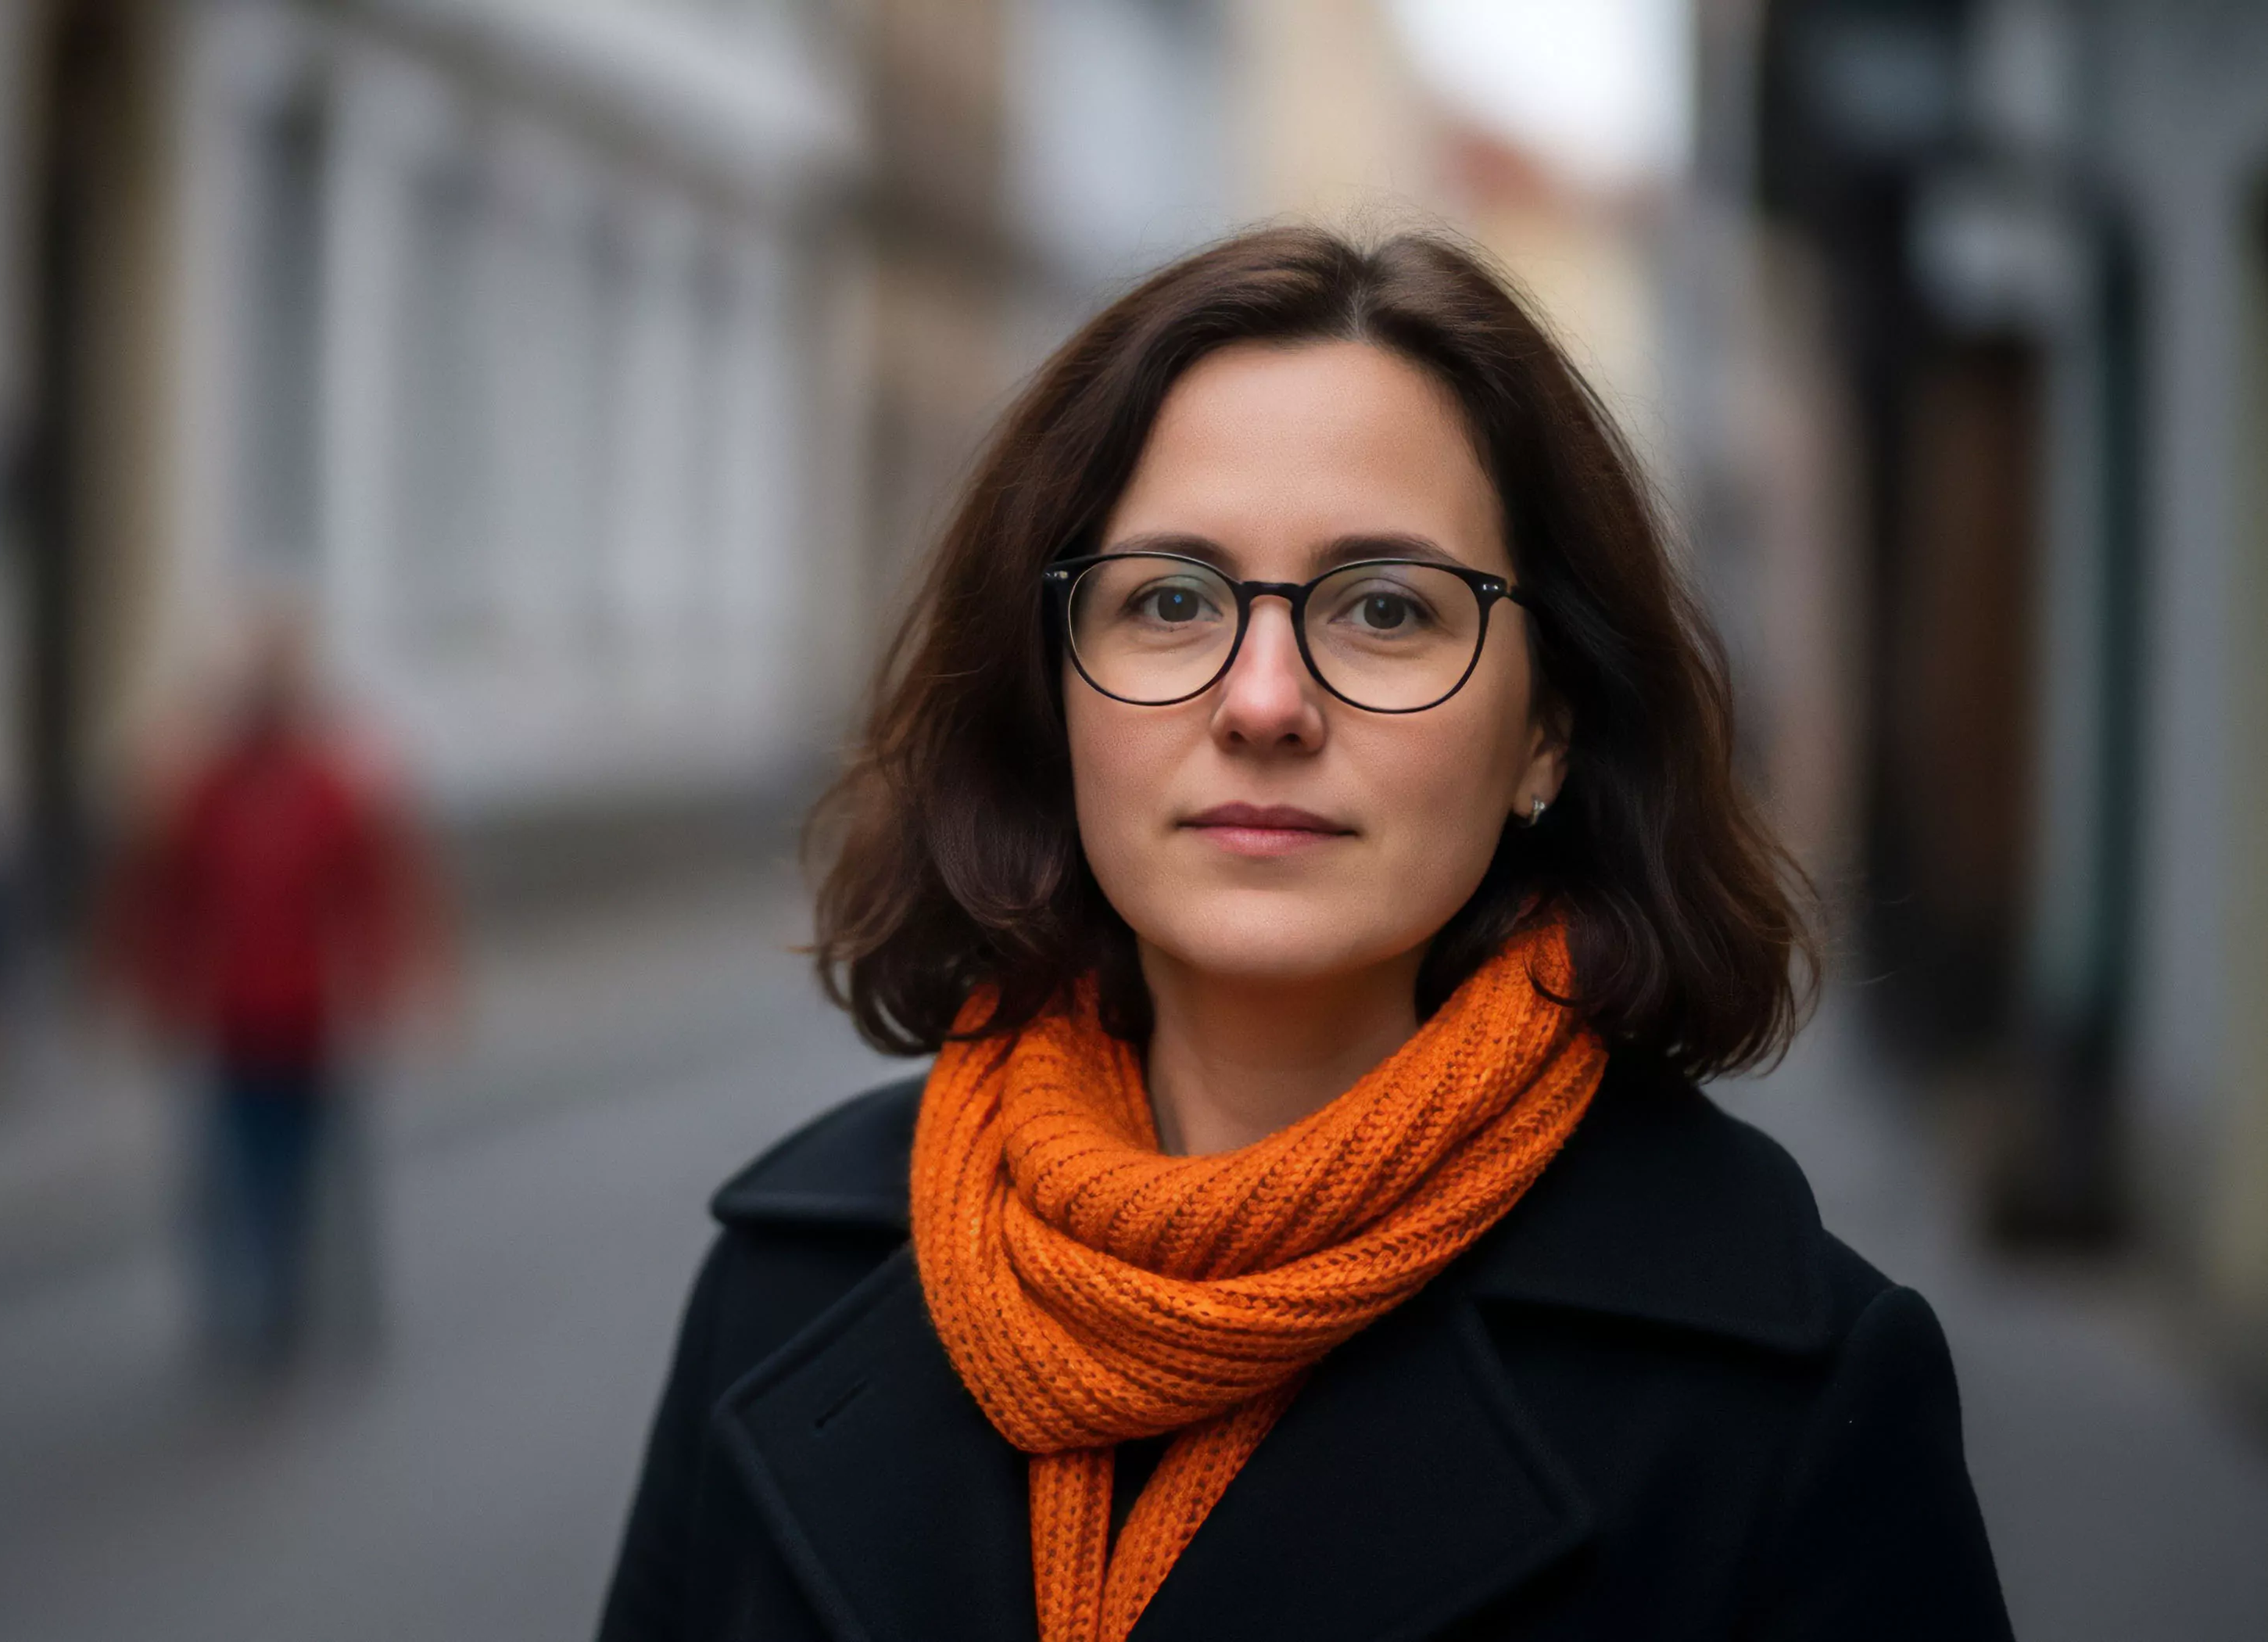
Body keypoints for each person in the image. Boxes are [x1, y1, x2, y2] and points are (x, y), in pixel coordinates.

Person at [600, 228, 2012, 1640]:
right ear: (1056, 697)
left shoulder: (1790, 1398)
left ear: (1547, 732)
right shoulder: (783, 1292)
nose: (1263, 701)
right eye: (1169, 600)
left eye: (1386, 607)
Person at [109, 609, 443, 1375]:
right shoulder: (208, 790)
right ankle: (243, 1307)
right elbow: (168, 893)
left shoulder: (329, 786)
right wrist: (158, 989)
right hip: (232, 1019)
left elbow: (372, 890)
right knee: (230, 1174)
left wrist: (385, 982)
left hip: (311, 1019)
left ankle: (295, 1302)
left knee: (306, 1174)